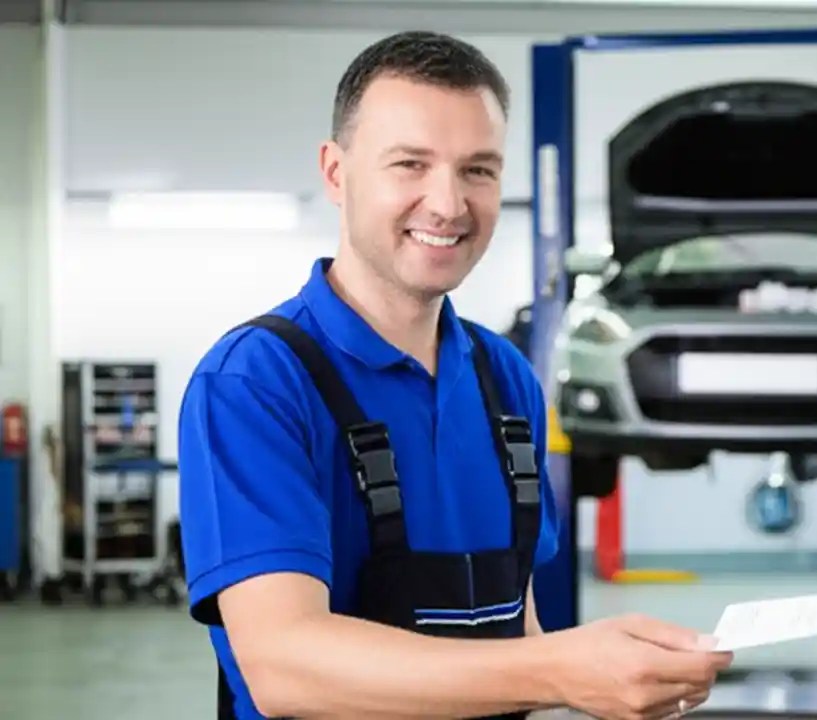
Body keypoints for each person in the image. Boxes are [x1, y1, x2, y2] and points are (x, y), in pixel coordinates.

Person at [177, 31, 731, 720]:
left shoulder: (507, 381)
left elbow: (508, 628)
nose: (447, 203)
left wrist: (613, 678)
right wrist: (560, 668)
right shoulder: (255, 383)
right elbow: (283, 664)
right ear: (336, 172)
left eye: (478, 170)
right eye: (410, 164)